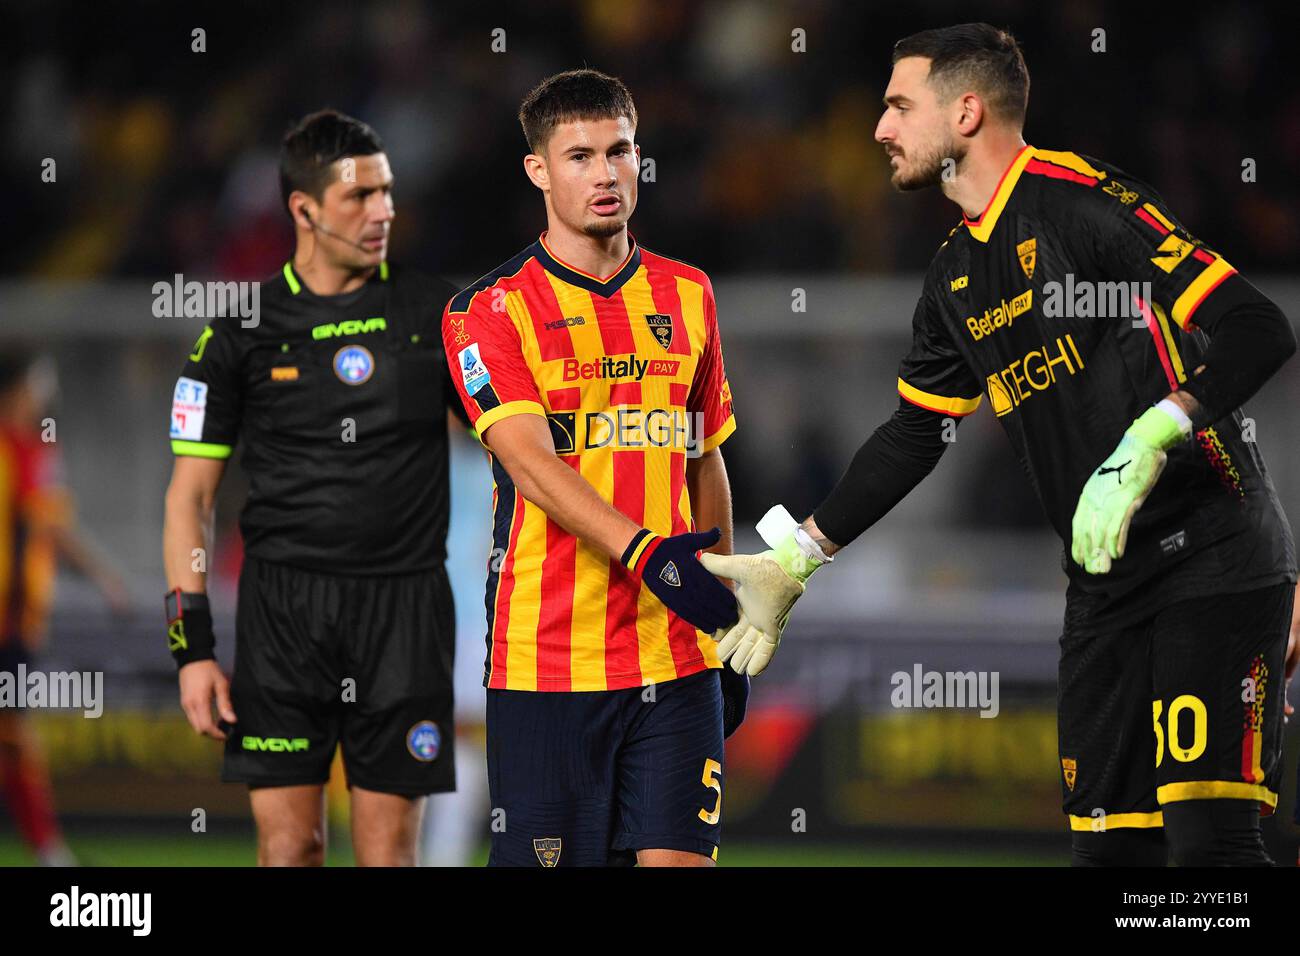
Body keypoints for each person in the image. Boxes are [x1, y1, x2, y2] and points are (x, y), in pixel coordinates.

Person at [707, 24, 1299, 866]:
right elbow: (917, 433)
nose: (879, 128)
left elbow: (1257, 326)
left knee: (1212, 852)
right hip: (1102, 589)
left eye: (899, 106)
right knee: (1110, 860)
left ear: (968, 111)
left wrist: (1150, 437)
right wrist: (799, 555)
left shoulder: (1079, 202)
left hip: (1212, 553)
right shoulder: (954, 276)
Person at [441, 69, 745, 867]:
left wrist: (725, 598)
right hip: (548, 666)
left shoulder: (691, 294)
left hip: (676, 662)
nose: (606, 174)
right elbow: (531, 464)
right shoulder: (489, 310)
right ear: (538, 171)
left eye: (620, 151)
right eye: (579, 156)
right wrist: (650, 554)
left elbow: (703, 452)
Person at [162, 110, 463, 866]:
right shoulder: (237, 333)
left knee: (388, 854)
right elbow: (189, 500)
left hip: (405, 611)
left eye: (388, 192)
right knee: (290, 848)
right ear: (302, 209)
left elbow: (516, 449)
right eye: (359, 196)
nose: (384, 210)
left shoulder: (439, 314)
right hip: (282, 615)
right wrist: (191, 649)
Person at [0, 353, 130, 866]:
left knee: (14, 732)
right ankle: (48, 849)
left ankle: (46, 846)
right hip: (9, 619)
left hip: (17, 621)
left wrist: (103, 576)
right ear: (17, 387)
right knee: (15, 732)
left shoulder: (34, 449)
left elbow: (50, 527)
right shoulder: (19, 451)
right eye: (38, 384)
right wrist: (105, 577)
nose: (45, 395)